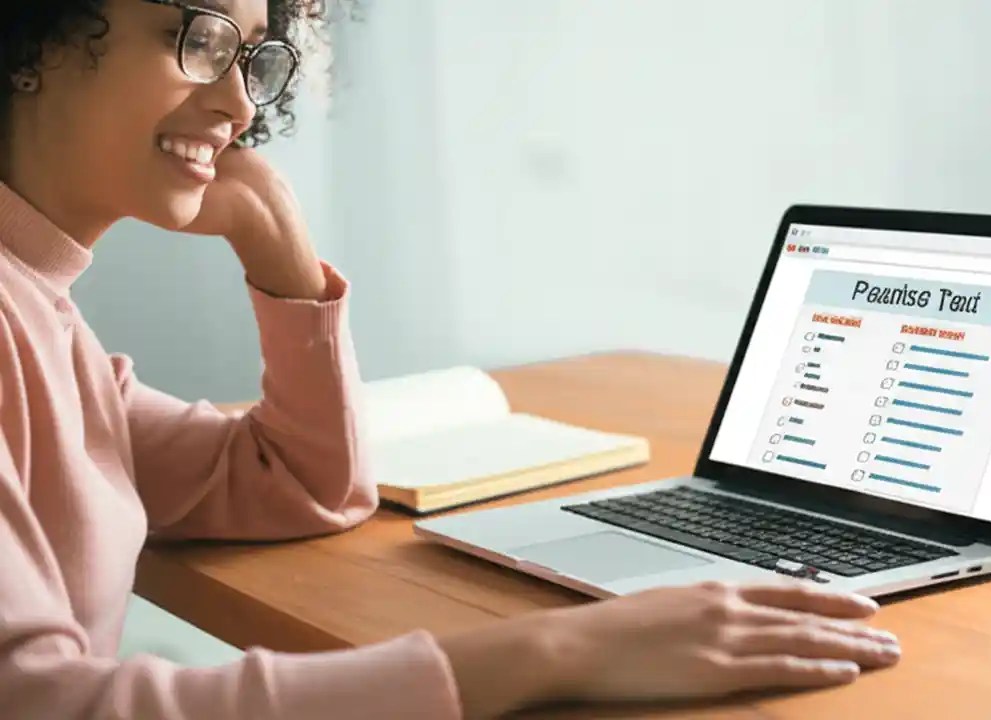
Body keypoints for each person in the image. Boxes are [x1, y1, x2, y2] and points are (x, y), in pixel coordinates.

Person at [0, 1, 901, 717]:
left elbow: (302, 483)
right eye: (196, 36)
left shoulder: (44, 317)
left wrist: (286, 261)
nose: (239, 104)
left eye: (254, 57)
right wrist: (562, 649)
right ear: (35, 30)